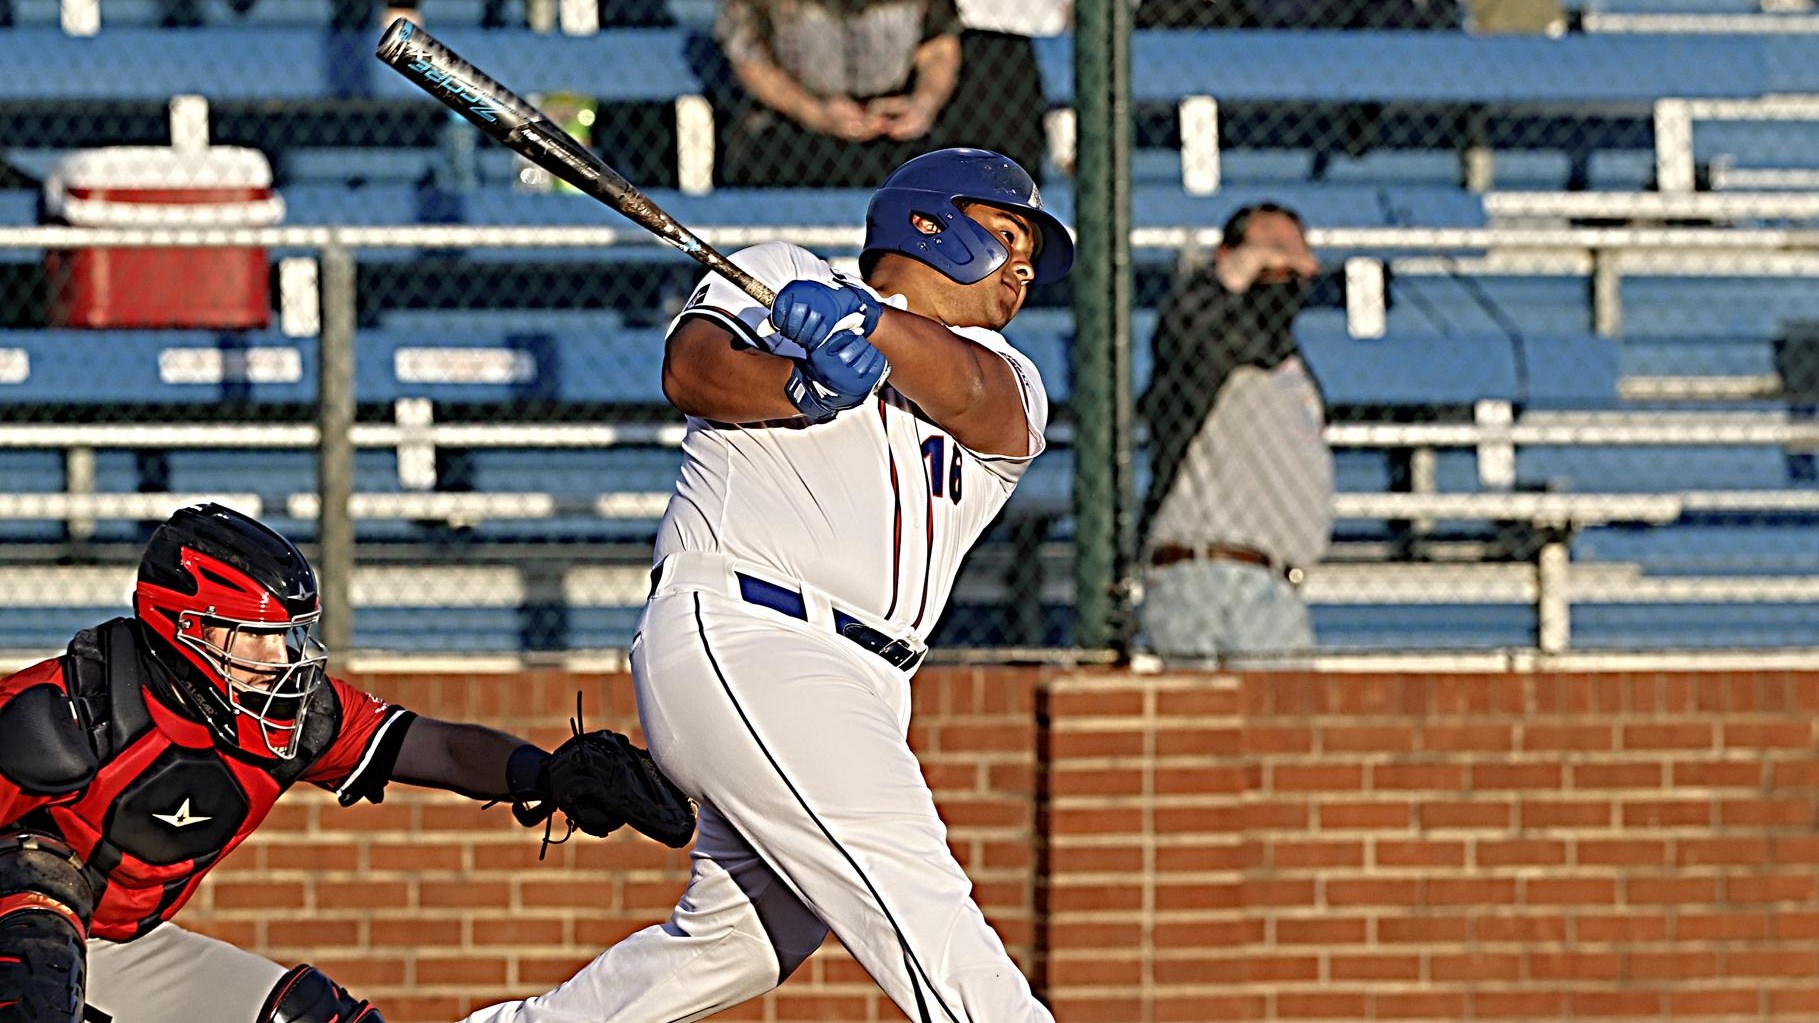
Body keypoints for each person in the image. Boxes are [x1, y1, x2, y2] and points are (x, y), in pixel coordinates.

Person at [458, 147, 1071, 1022]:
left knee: (743, 939)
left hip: (869, 677)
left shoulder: (1013, 374)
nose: (1023, 267)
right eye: (1009, 234)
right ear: (929, 223)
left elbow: (973, 393)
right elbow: (692, 369)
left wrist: (868, 325)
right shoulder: (782, 271)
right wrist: (799, 383)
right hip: (750, 632)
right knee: (912, 889)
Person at [0, 503, 689, 1023]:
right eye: (256, 638)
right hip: (23, 942)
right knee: (35, 912)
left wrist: (545, 772)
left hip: (117, 942)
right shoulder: (57, 715)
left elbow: (436, 746)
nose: (281, 661)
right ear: (187, 629)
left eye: (288, 638)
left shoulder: (298, 719)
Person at [1136, 202, 1330, 661]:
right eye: (1272, 251)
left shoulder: (1287, 366)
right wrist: (1240, 268)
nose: (1286, 266)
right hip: (1205, 575)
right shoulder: (1201, 357)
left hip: (1273, 587)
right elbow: (1193, 326)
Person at [714, 0, 963, 187]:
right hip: (790, 128)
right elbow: (748, 57)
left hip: (893, 126)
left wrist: (923, 102)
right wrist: (814, 112)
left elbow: (939, 46)